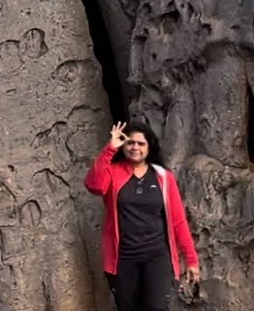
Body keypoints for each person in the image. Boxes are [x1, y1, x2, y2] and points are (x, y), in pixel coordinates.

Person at [84, 121, 201, 311]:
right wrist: (110, 148)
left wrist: (191, 260)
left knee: (157, 306)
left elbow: (178, 221)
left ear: (149, 147)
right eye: (130, 143)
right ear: (124, 146)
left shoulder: (163, 177)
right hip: (123, 257)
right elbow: (94, 185)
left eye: (141, 143)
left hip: (156, 255)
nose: (135, 147)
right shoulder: (113, 172)